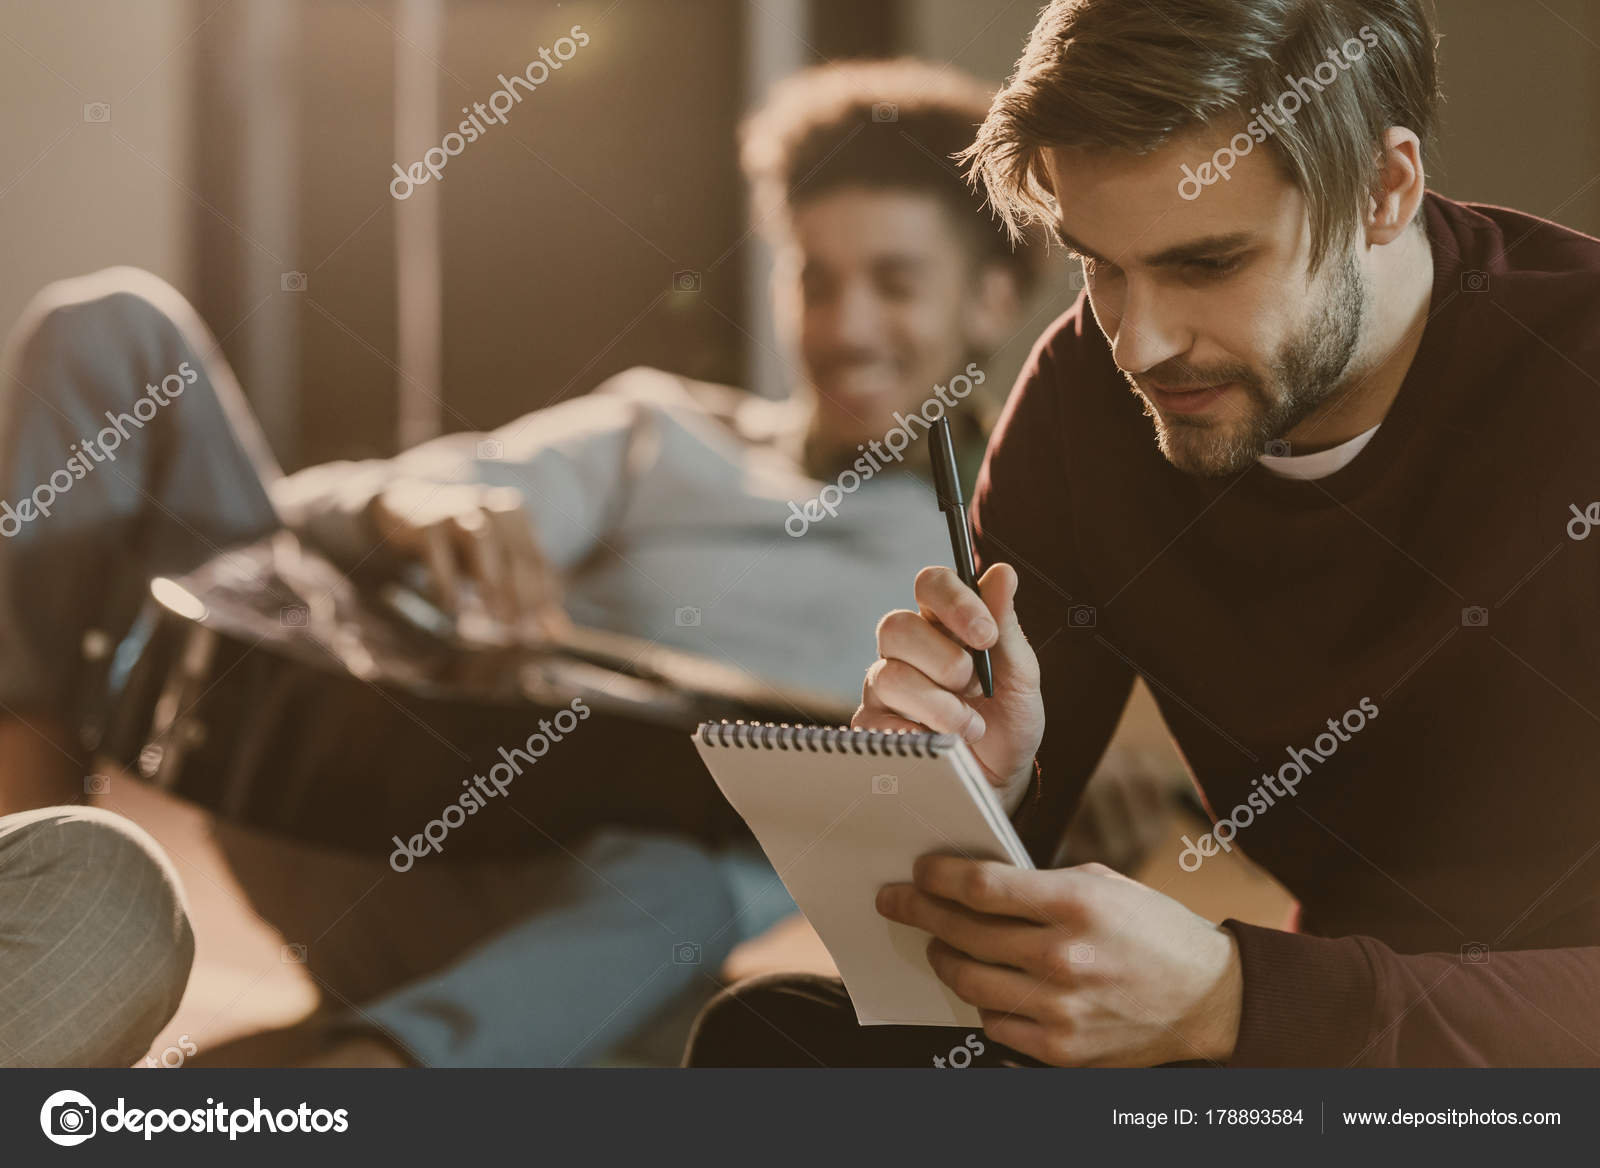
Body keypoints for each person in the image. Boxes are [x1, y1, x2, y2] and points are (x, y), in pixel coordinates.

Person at [0, 61, 1171, 1067]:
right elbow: (290, 528)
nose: (845, 326)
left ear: (995, 298)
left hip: (585, 938)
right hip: (337, 804)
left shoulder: (996, 569)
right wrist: (411, 503)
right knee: (107, 328)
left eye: (894, 283)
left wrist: (1069, 771)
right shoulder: (658, 429)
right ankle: (32, 878)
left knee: (694, 878)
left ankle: (376, 1079)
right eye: (815, 278)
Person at [686, 0, 1600, 1068]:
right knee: (775, 1045)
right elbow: (944, 968)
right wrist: (978, 795)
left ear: (1384, 190)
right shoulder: (1083, 400)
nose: (1140, 343)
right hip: (1329, 1046)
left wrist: (1231, 1001)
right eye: (1099, 265)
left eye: (1207, 264)